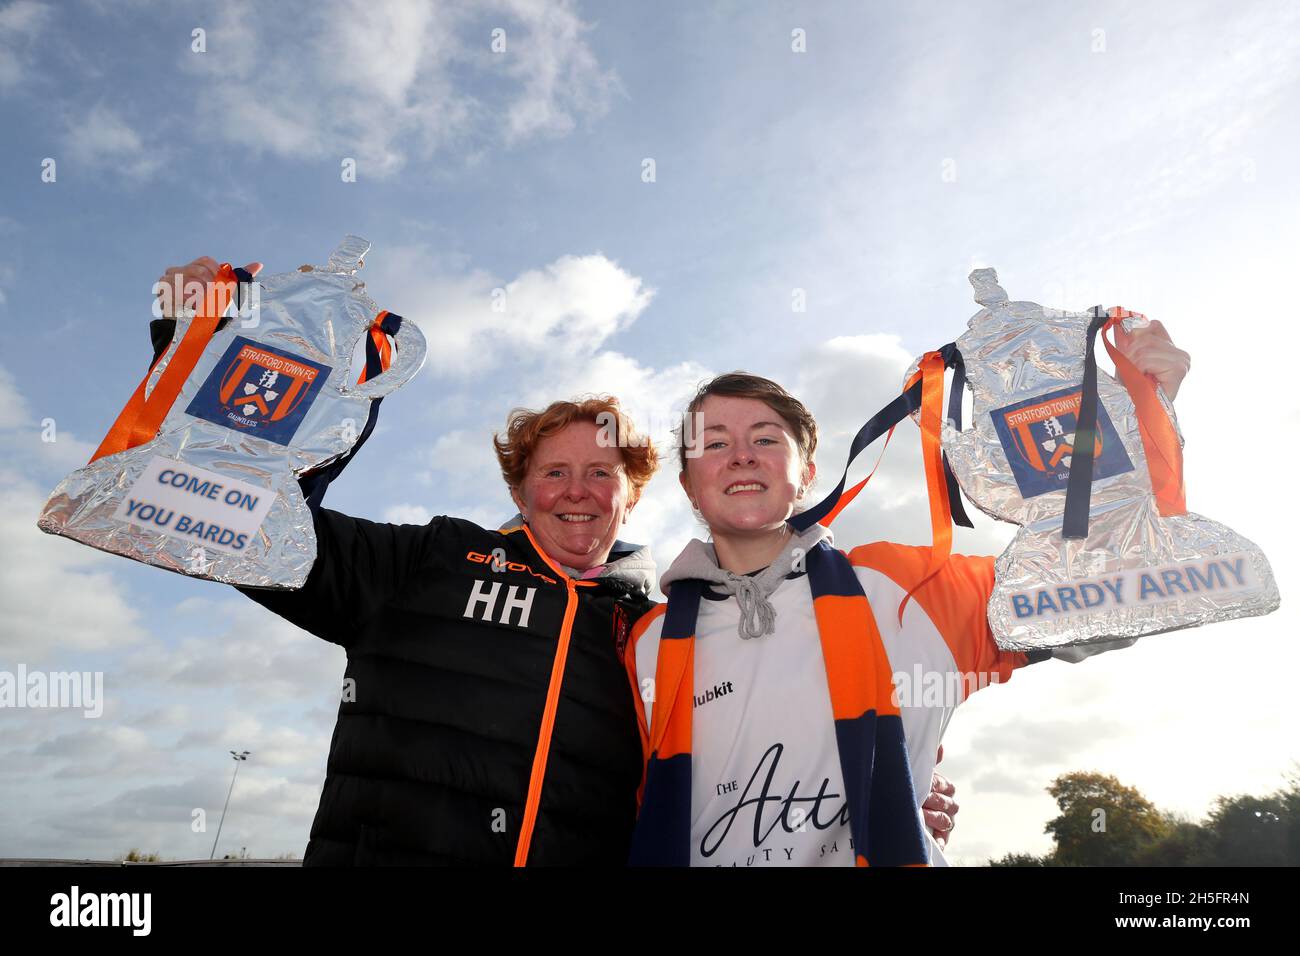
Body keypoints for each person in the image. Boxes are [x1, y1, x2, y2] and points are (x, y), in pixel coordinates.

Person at [149, 256, 963, 863]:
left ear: (634, 493)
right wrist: (201, 345)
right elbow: (233, 525)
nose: (577, 492)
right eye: (554, 472)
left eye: (601, 473)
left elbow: (757, 744)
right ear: (520, 485)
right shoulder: (423, 561)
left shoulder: (662, 628)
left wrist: (884, 782)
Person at [624, 324, 1190, 867]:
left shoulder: (908, 587)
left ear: (807, 474)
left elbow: (1114, 590)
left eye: (766, 439)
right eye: (715, 443)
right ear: (688, 485)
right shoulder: (646, 641)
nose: (741, 455)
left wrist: (1142, 416)